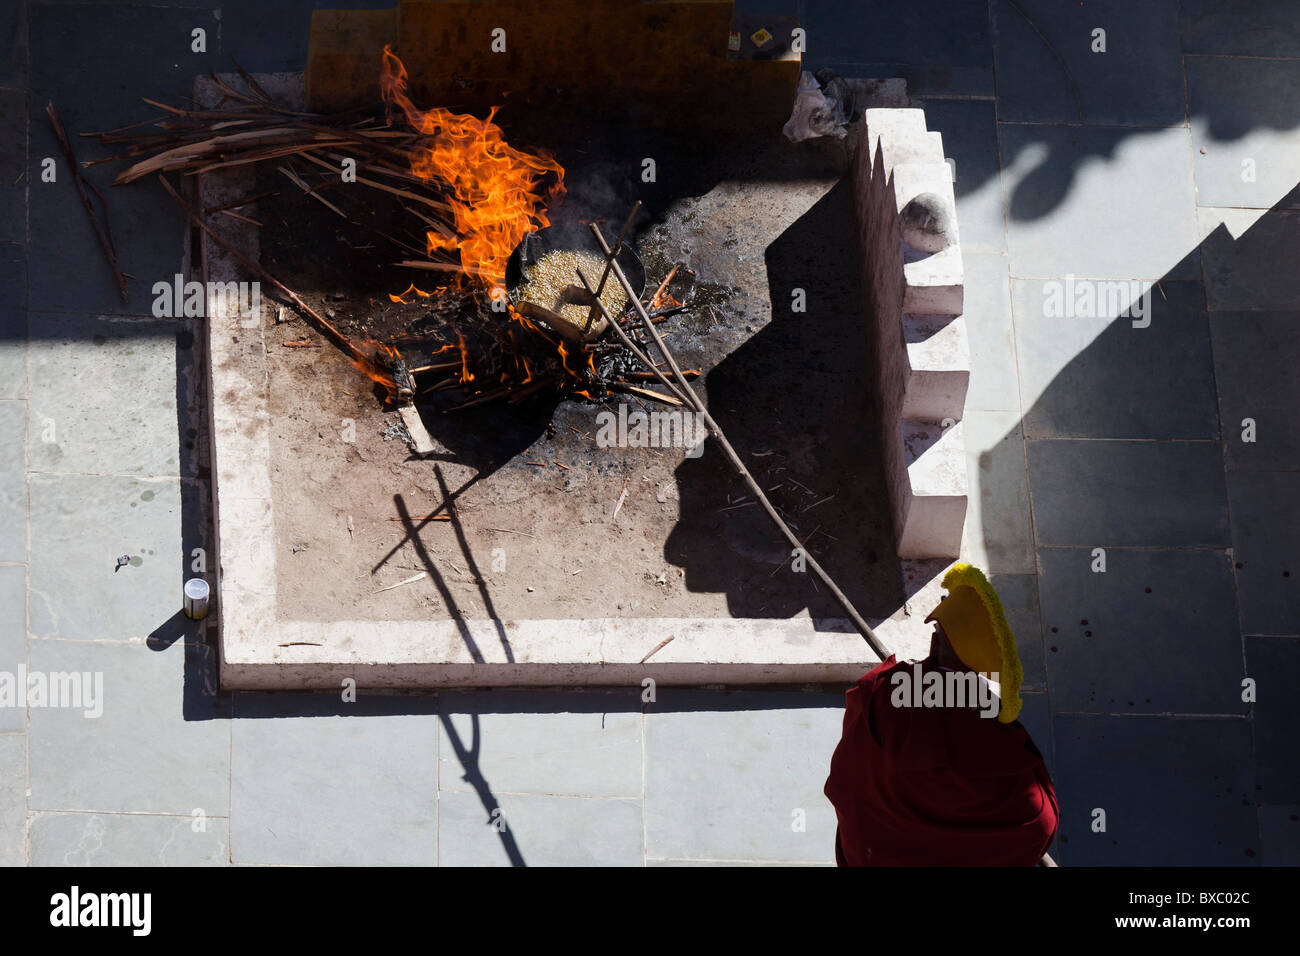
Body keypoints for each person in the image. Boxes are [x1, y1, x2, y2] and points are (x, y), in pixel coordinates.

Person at [824, 563, 1059, 866]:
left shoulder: (883, 696)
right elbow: (1040, 829)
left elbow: (847, 776)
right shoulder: (1021, 792)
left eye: (937, 631)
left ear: (936, 644)